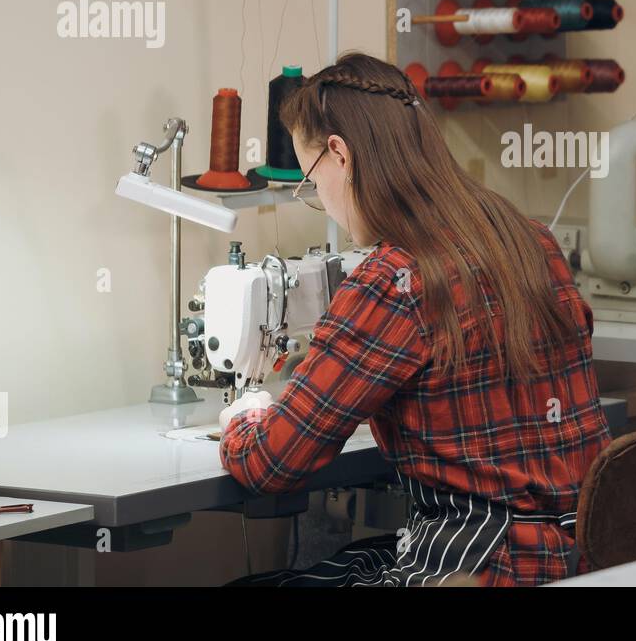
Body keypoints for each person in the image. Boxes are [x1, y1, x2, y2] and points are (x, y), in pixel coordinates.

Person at [219, 52, 611, 585]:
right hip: (583, 562)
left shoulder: (393, 278)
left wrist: (243, 417)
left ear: (340, 154)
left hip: (483, 568)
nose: (322, 200)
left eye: (311, 180)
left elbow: (273, 462)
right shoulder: (532, 240)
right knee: (352, 558)